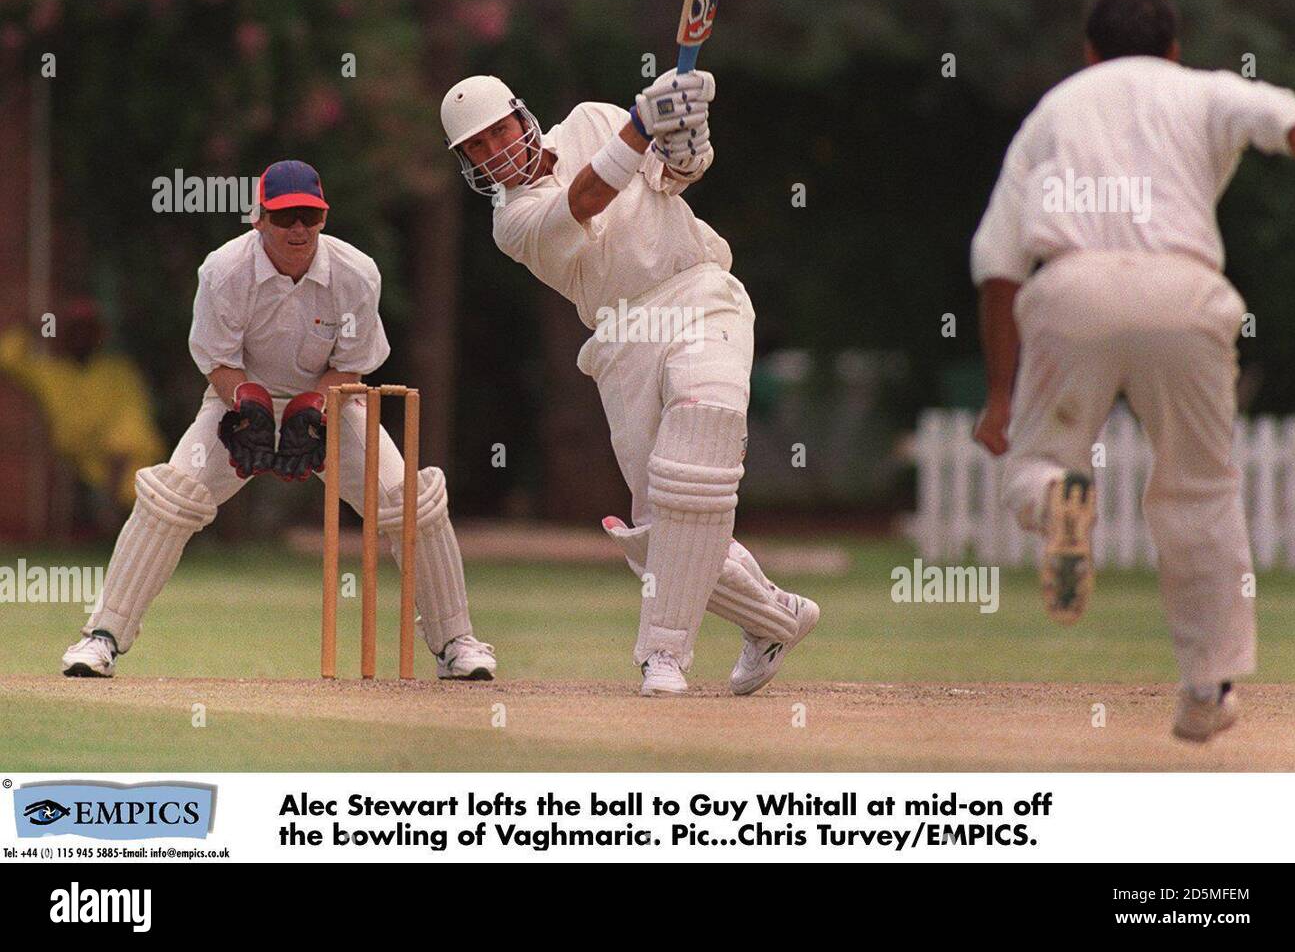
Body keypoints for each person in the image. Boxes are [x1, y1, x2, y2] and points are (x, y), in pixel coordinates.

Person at [970, 0, 1295, 741]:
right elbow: (1284, 121)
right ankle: (1207, 692)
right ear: (1175, 49)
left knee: (1032, 463)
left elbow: (997, 264)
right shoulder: (1204, 90)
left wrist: (998, 394)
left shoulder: (1055, 109)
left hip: (1072, 289)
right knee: (1200, 492)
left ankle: (1056, 496)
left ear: (1088, 52)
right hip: (1185, 296)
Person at [440, 71, 819, 696]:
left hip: (699, 294)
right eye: (474, 149)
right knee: (657, 533)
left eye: (497, 132)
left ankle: (663, 655)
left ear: (522, 115)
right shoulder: (513, 222)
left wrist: (685, 140)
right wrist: (643, 126)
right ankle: (775, 619)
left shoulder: (592, 117)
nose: (493, 153)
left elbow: (675, 176)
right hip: (621, 338)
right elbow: (586, 198)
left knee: (700, 451)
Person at [60, 160, 496, 681]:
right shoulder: (223, 270)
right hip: (237, 400)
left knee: (410, 503)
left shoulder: (355, 272)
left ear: (324, 217)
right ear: (259, 218)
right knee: (170, 498)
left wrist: (314, 405)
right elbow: (217, 361)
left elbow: (353, 362)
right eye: (286, 216)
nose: (298, 229)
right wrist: (248, 402)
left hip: (334, 401)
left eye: (309, 217)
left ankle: (456, 642)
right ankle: (102, 637)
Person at [0, 297, 166, 525]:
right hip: (79, 453)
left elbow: (134, 416)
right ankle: (108, 520)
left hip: (123, 455)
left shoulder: (118, 370)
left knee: (138, 479)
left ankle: (121, 527)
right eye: (75, 331)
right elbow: (7, 358)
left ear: (98, 335)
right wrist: (37, 326)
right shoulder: (51, 371)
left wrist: (117, 446)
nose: (81, 337)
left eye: (87, 331)